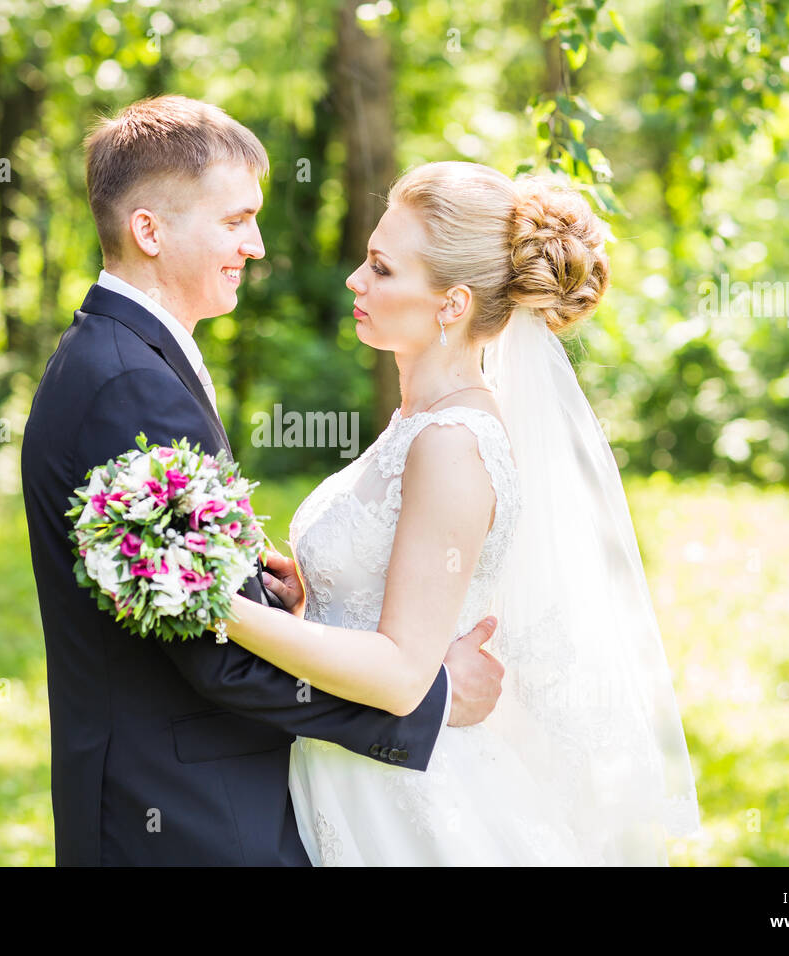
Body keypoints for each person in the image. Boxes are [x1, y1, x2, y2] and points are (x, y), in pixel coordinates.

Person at [21, 96, 504, 866]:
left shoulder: (128, 359)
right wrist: (430, 705)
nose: (256, 243)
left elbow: (192, 598)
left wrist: (265, 594)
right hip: (179, 818)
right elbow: (208, 644)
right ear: (149, 231)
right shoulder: (125, 385)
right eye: (234, 220)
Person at [223, 161, 703, 864]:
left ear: (451, 304)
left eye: (383, 269)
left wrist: (218, 611)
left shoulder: (452, 443)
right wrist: (314, 597)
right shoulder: (420, 421)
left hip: (407, 800)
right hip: (352, 773)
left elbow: (398, 673)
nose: (356, 280)